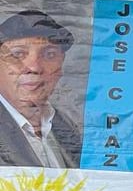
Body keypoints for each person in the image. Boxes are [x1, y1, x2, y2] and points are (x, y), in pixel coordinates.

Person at [0, 9, 80, 168]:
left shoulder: (67, 128)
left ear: (61, 64)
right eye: (17, 55)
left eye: (49, 54)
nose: (34, 67)